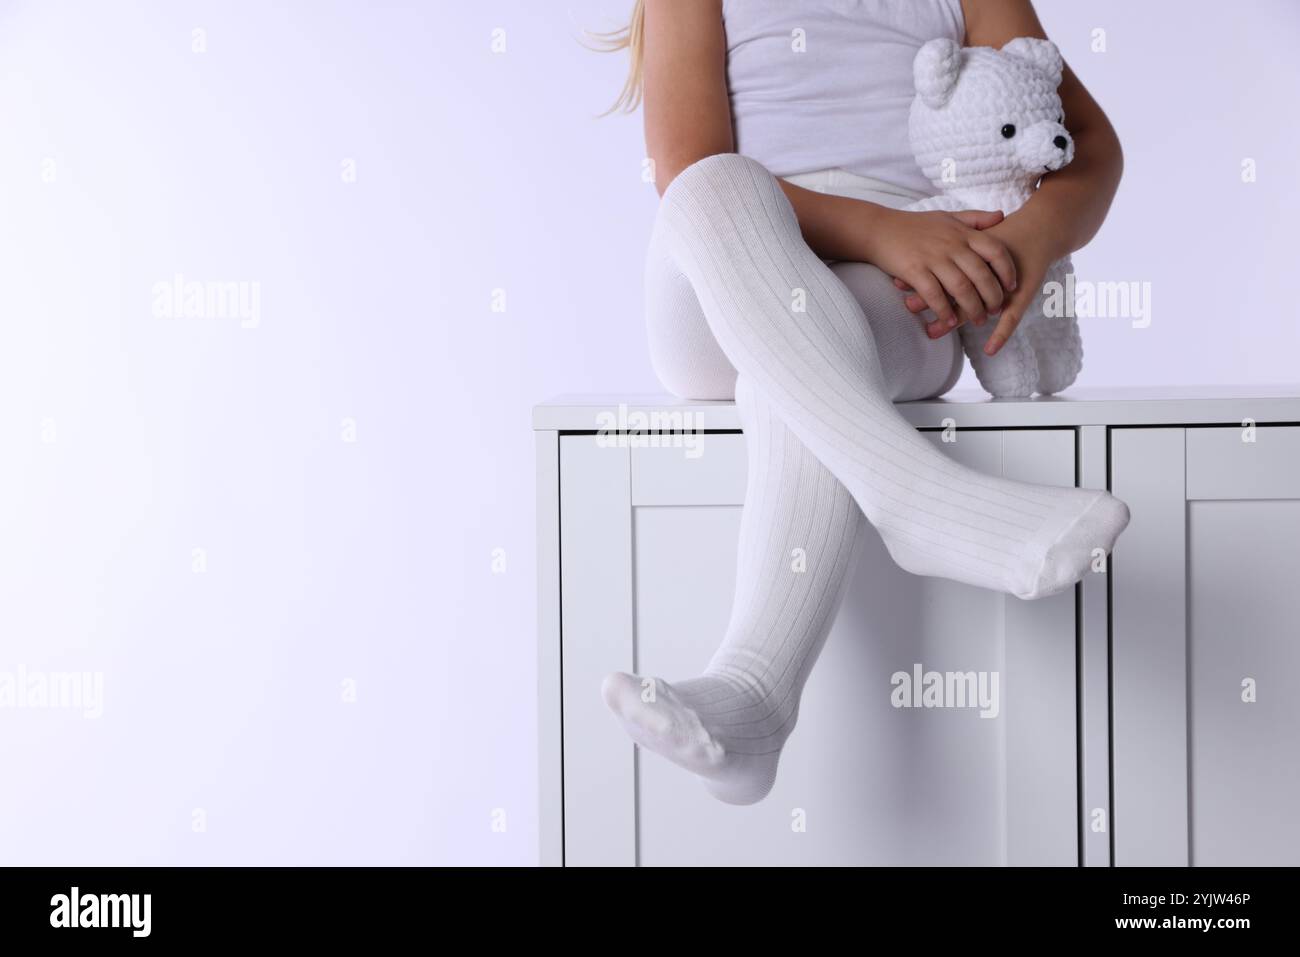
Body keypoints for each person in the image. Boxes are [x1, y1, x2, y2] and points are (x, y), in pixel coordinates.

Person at [594, 0, 1129, 805]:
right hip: (722, 269)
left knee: (810, 354)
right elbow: (685, 167)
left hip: (899, 291)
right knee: (717, 185)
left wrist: (1020, 243)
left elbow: (1092, 150)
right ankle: (916, 499)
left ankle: (751, 700)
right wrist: (878, 231)